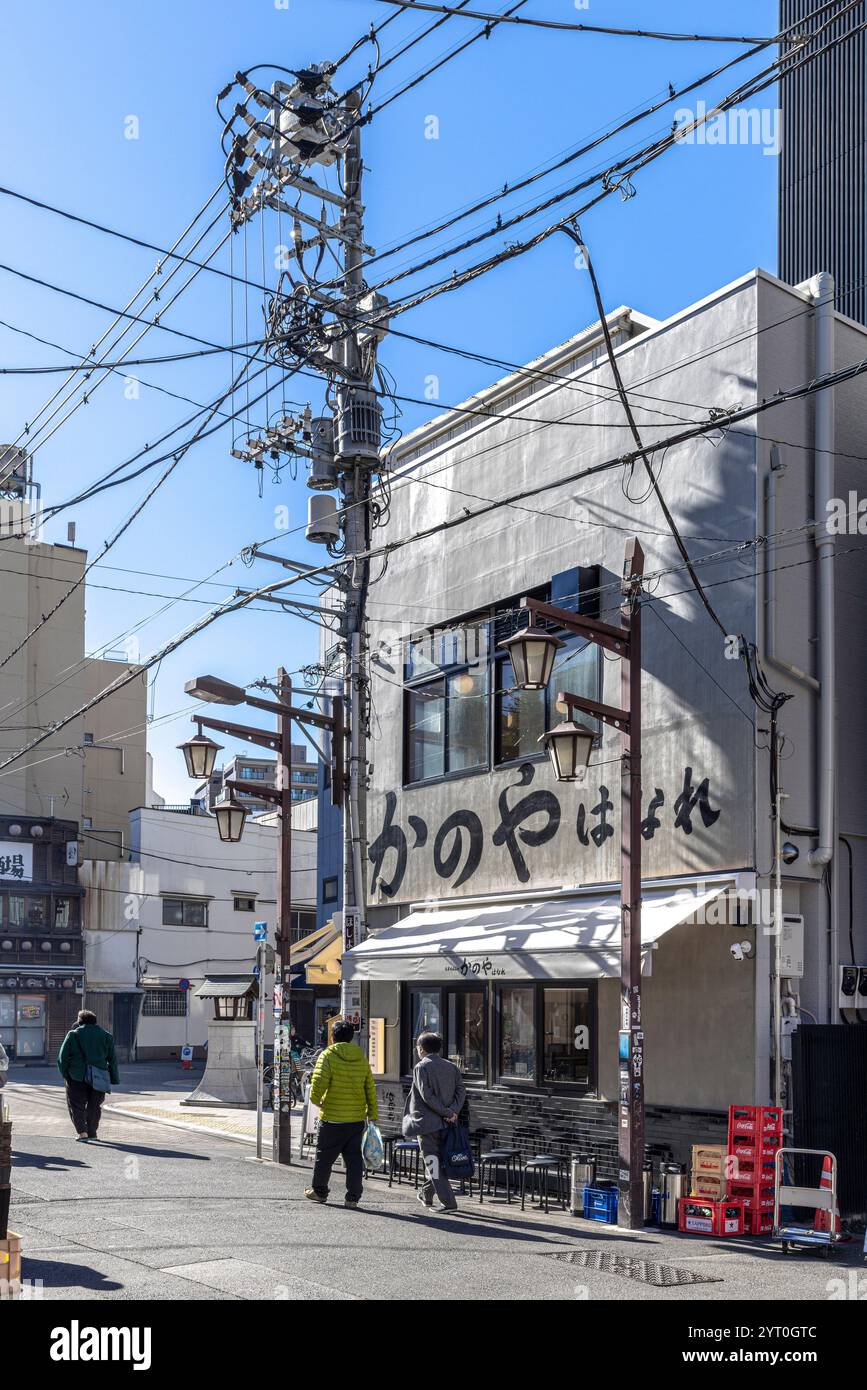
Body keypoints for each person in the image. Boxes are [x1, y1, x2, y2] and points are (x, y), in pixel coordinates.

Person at [305, 1019, 378, 1208]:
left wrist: (317, 1101)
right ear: (351, 1037)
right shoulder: (361, 1058)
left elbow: (318, 1084)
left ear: (332, 1036)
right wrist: (372, 1114)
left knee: (324, 1157)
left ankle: (320, 1192)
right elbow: (370, 1087)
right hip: (355, 1119)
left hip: (332, 1118)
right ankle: (352, 1198)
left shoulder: (327, 1055)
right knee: (354, 1159)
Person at [403, 1032, 466, 1213]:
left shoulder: (421, 1067)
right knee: (441, 1161)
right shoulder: (451, 1067)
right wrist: (453, 1111)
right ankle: (426, 1193)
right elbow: (461, 1091)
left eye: (417, 1047)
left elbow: (427, 1096)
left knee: (432, 1162)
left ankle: (448, 1203)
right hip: (449, 1123)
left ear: (421, 1049)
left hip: (428, 1123)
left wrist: (447, 1112)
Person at [57, 1009, 119, 1142]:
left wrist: (65, 1073)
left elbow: (62, 1057)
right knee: (94, 1105)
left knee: (76, 1105)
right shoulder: (106, 1036)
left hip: (76, 1076)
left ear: (80, 1022)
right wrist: (114, 1077)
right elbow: (112, 1059)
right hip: (99, 1077)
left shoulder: (73, 1034)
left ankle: (82, 1133)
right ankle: (92, 1132)